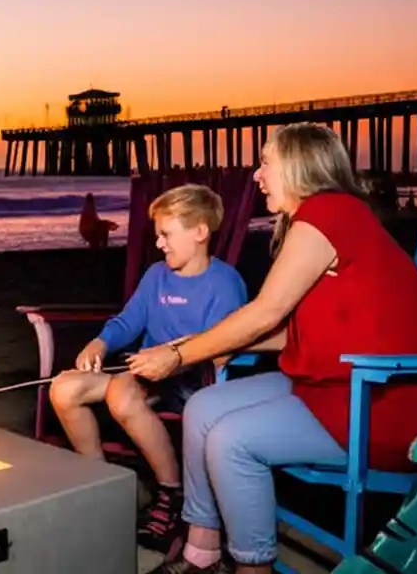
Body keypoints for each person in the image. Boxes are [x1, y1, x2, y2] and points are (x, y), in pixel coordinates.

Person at [127, 123, 417, 574]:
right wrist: (191, 344)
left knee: (232, 441)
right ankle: (200, 553)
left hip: (381, 402)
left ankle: (252, 567)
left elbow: (267, 312)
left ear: (300, 165)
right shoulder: (322, 220)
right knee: (202, 408)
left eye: (266, 162)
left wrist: (182, 356)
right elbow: (285, 331)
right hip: (333, 384)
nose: (257, 175)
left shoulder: (330, 213)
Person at [50, 185, 247, 557]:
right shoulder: (157, 275)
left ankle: (170, 494)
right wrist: (100, 342)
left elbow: (222, 343)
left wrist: (174, 353)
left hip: (194, 382)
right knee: (63, 388)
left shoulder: (224, 283)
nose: (159, 243)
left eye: (166, 234)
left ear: (200, 232)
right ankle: (102, 483)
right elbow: (128, 321)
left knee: (122, 393)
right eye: (157, 235)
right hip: (145, 373)